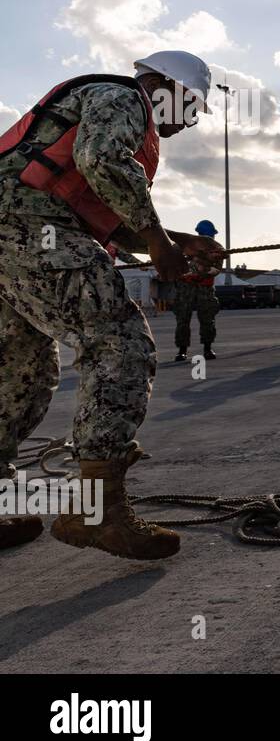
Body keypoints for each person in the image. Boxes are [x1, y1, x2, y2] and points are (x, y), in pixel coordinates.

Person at [0, 50, 224, 557]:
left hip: (15, 231)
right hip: (34, 229)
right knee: (119, 345)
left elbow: (98, 209)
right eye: (190, 107)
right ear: (165, 87)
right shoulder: (125, 98)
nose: (189, 121)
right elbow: (101, 161)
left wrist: (176, 240)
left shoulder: (105, 105)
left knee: (19, 373)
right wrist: (158, 239)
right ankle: (93, 510)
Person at [173, 218, 222, 361]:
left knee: (207, 318)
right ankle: (182, 350)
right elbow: (179, 266)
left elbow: (216, 269)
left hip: (205, 287)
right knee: (183, 318)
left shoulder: (217, 248)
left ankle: (207, 348)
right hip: (185, 287)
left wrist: (202, 270)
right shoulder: (186, 246)